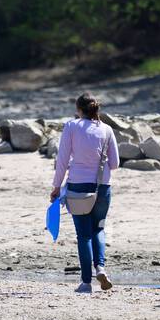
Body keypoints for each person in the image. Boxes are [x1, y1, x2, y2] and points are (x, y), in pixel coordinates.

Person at [51, 92, 120, 293]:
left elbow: (62, 161)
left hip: (78, 188)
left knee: (83, 235)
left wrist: (56, 186)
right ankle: (101, 267)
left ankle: (86, 283)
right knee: (99, 228)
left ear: (79, 110)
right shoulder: (107, 130)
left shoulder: (71, 126)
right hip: (103, 187)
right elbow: (114, 164)